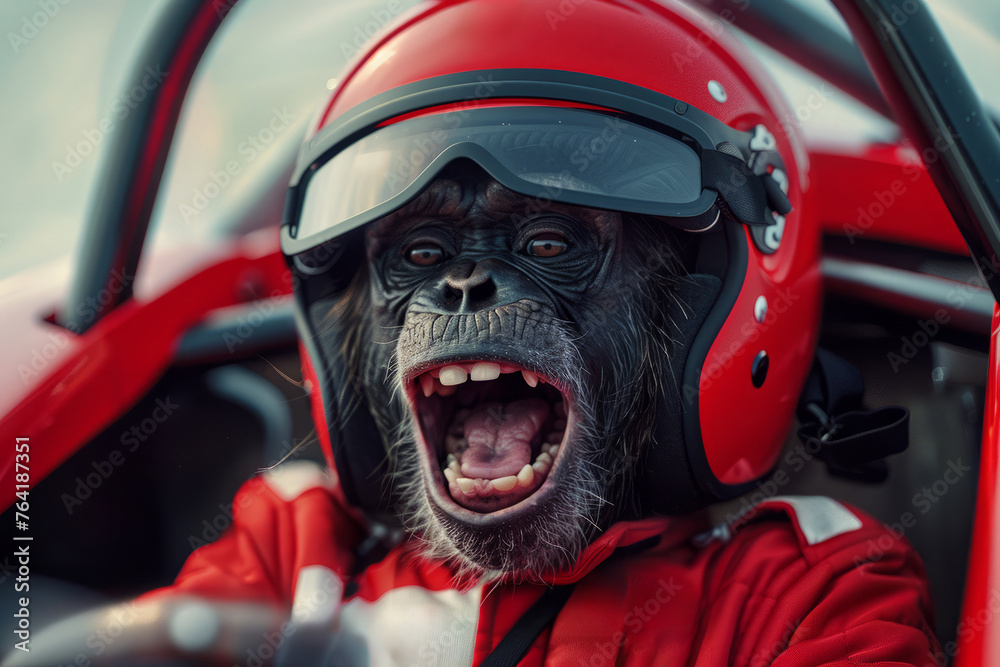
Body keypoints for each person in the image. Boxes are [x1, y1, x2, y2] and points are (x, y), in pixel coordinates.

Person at [136, 0, 940, 664]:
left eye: (548, 245)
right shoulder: (295, 550)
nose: (464, 286)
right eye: (420, 254)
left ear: (691, 309)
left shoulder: (809, 596)